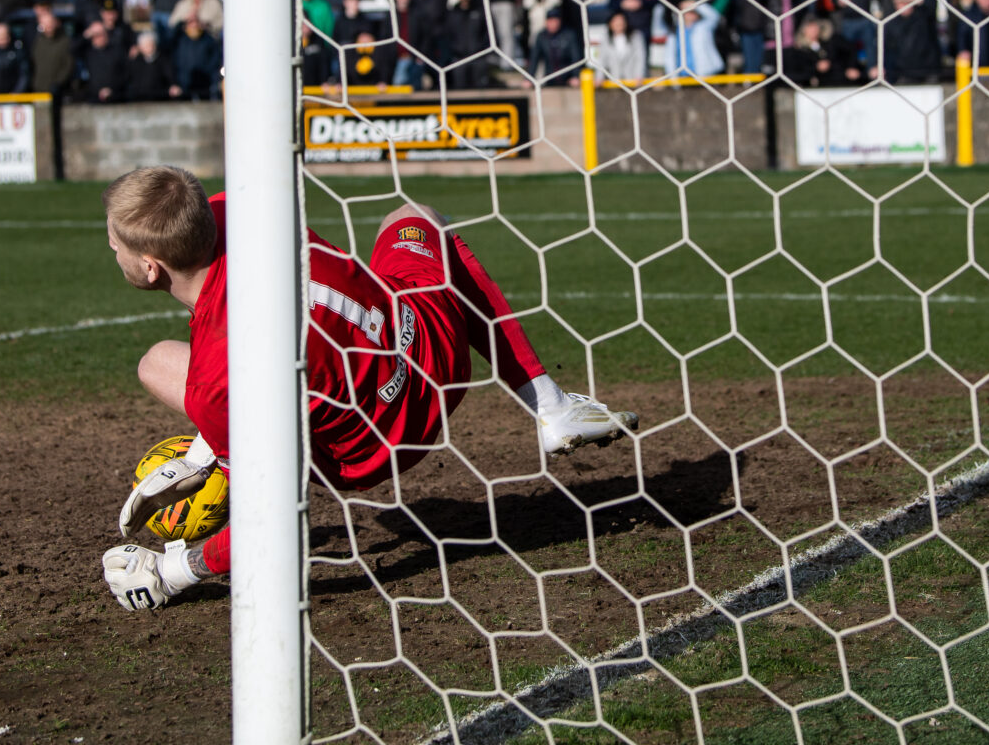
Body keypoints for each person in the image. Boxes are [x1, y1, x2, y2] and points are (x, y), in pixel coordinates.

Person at [96, 166, 639, 611]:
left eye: (113, 244)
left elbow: (277, 516)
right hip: (433, 346)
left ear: (149, 268)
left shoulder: (219, 379)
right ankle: (552, 406)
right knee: (413, 217)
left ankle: (229, 456)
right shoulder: (242, 206)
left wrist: (170, 571)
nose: (110, 251)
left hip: (378, 447)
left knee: (224, 416)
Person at [878, 0, 942, 84]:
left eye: (906, 2)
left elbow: (932, 3)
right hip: (904, 73)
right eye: (900, 3)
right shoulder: (891, 23)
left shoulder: (923, 16)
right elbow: (886, 48)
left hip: (928, 71)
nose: (903, 6)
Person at [656, 0, 724, 77]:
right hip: (682, 75)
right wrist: (673, 76)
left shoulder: (704, 27)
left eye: (692, 12)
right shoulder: (675, 31)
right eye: (686, 12)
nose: (689, 14)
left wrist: (696, 5)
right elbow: (670, 56)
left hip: (704, 74)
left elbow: (714, 16)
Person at [442, 0, 490, 90]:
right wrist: (454, 50)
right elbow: (448, 35)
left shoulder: (480, 11)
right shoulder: (453, 13)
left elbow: (488, 33)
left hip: (478, 57)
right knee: (460, 88)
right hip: (459, 57)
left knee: (480, 89)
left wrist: (482, 49)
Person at [172, 15, 221, 100]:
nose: (194, 28)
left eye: (196, 25)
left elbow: (215, 59)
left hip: (204, 80)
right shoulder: (180, 40)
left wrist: (209, 73)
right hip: (185, 81)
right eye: (191, 25)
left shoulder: (208, 40)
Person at [528, 7, 582, 85]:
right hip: (550, 79)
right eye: (550, 20)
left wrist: (576, 76)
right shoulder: (541, 36)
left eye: (555, 20)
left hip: (568, 79)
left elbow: (576, 57)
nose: (553, 23)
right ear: (546, 22)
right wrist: (529, 78)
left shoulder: (569, 35)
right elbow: (534, 58)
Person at [32, 4, 75, 95]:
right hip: (38, 88)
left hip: (58, 89)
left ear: (55, 23)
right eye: (46, 24)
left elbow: (68, 64)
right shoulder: (36, 41)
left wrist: (58, 82)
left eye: (50, 23)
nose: (49, 26)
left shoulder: (65, 41)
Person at [593, 10, 647, 83]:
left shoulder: (636, 36)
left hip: (633, 81)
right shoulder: (606, 39)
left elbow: (640, 58)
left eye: (621, 21)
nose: (618, 24)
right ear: (610, 24)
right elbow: (602, 60)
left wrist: (639, 76)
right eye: (615, 21)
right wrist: (599, 78)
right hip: (614, 82)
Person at [82, 21, 128, 103]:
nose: (100, 37)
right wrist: (86, 35)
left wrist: (112, 89)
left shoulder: (117, 51)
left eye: (102, 34)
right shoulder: (88, 52)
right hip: (94, 97)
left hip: (116, 96)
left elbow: (125, 73)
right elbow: (72, 49)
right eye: (96, 35)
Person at [126, 30, 175, 102]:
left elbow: (170, 78)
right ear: (141, 47)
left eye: (150, 44)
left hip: (159, 100)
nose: (149, 47)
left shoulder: (164, 60)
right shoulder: (136, 62)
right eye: (146, 45)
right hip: (139, 100)